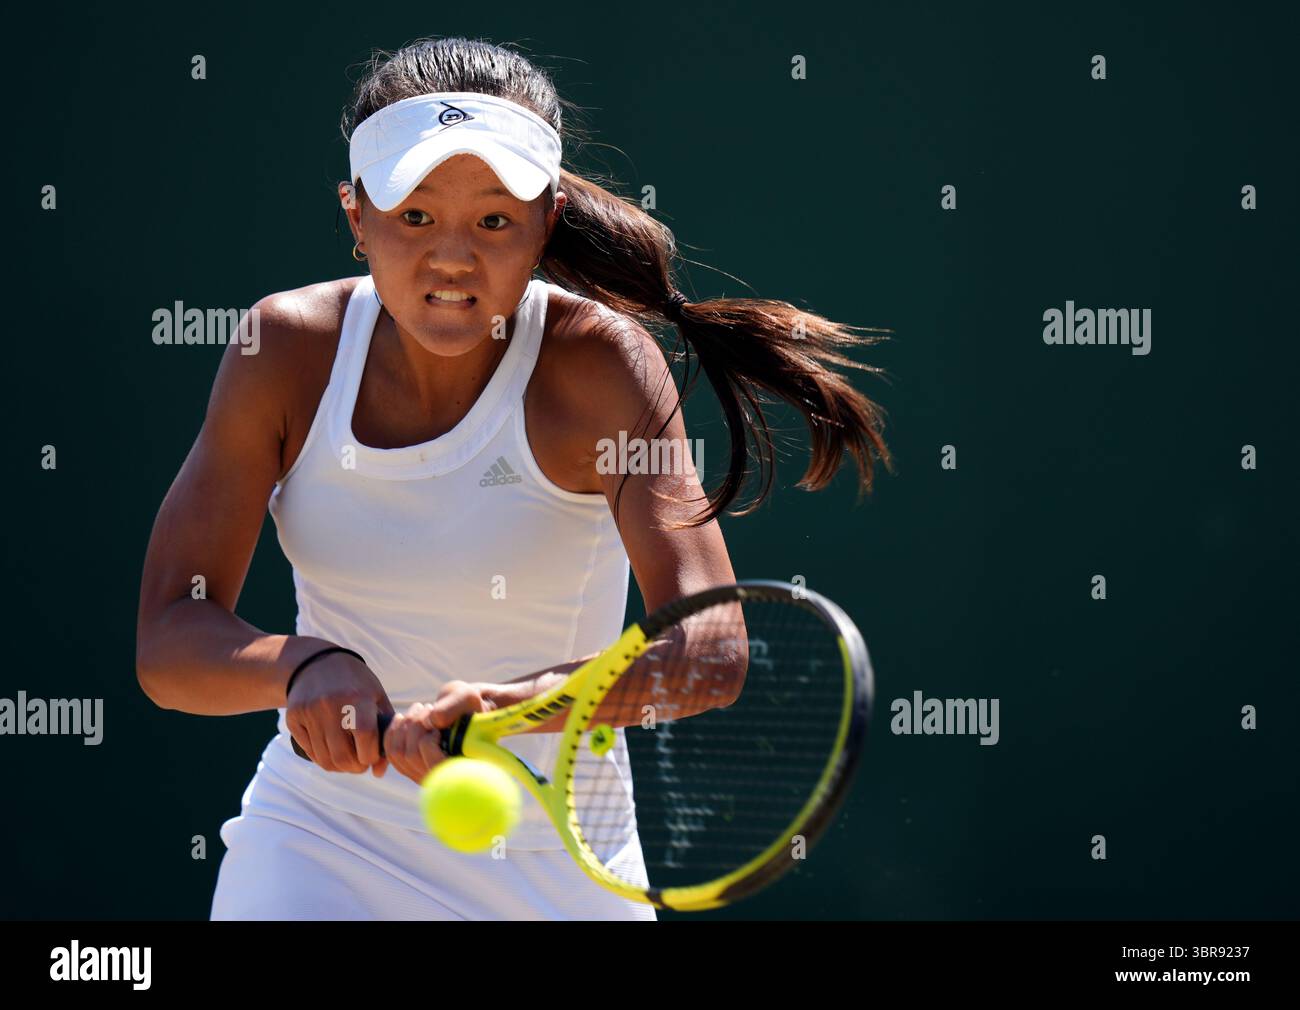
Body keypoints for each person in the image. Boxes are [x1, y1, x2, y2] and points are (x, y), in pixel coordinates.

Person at [135, 35, 892, 920]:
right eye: (414, 216)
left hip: (559, 861)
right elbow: (169, 637)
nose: (452, 259)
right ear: (355, 216)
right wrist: (303, 667)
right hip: (317, 841)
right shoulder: (284, 349)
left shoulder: (604, 366)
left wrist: (509, 705)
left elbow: (709, 651)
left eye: (494, 220)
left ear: (547, 220)